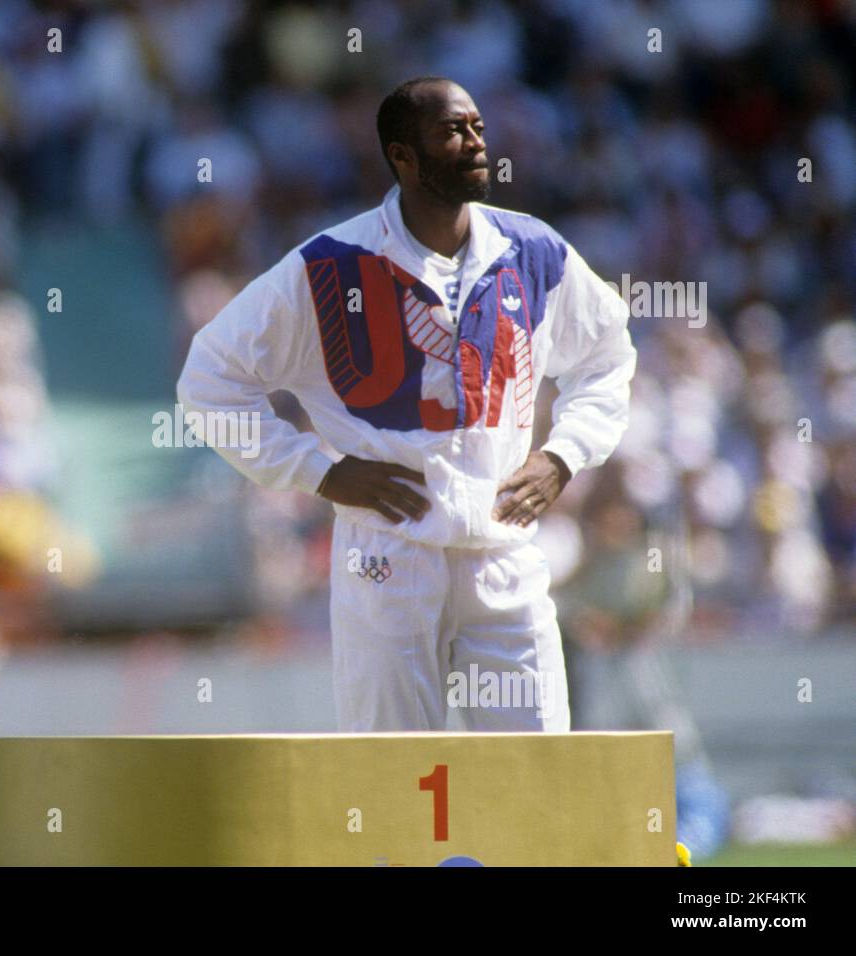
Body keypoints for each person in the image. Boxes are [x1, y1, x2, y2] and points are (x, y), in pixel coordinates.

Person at [177, 77, 637, 733]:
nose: (476, 143)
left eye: (478, 127)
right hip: (386, 555)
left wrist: (562, 457)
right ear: (403, 156)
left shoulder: (534, 250)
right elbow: (209, 377)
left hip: (504, 550)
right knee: (390, 777)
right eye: (453, 131)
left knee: (534, 773)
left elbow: (608, 356)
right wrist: (321, 472)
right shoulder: (329, 264)